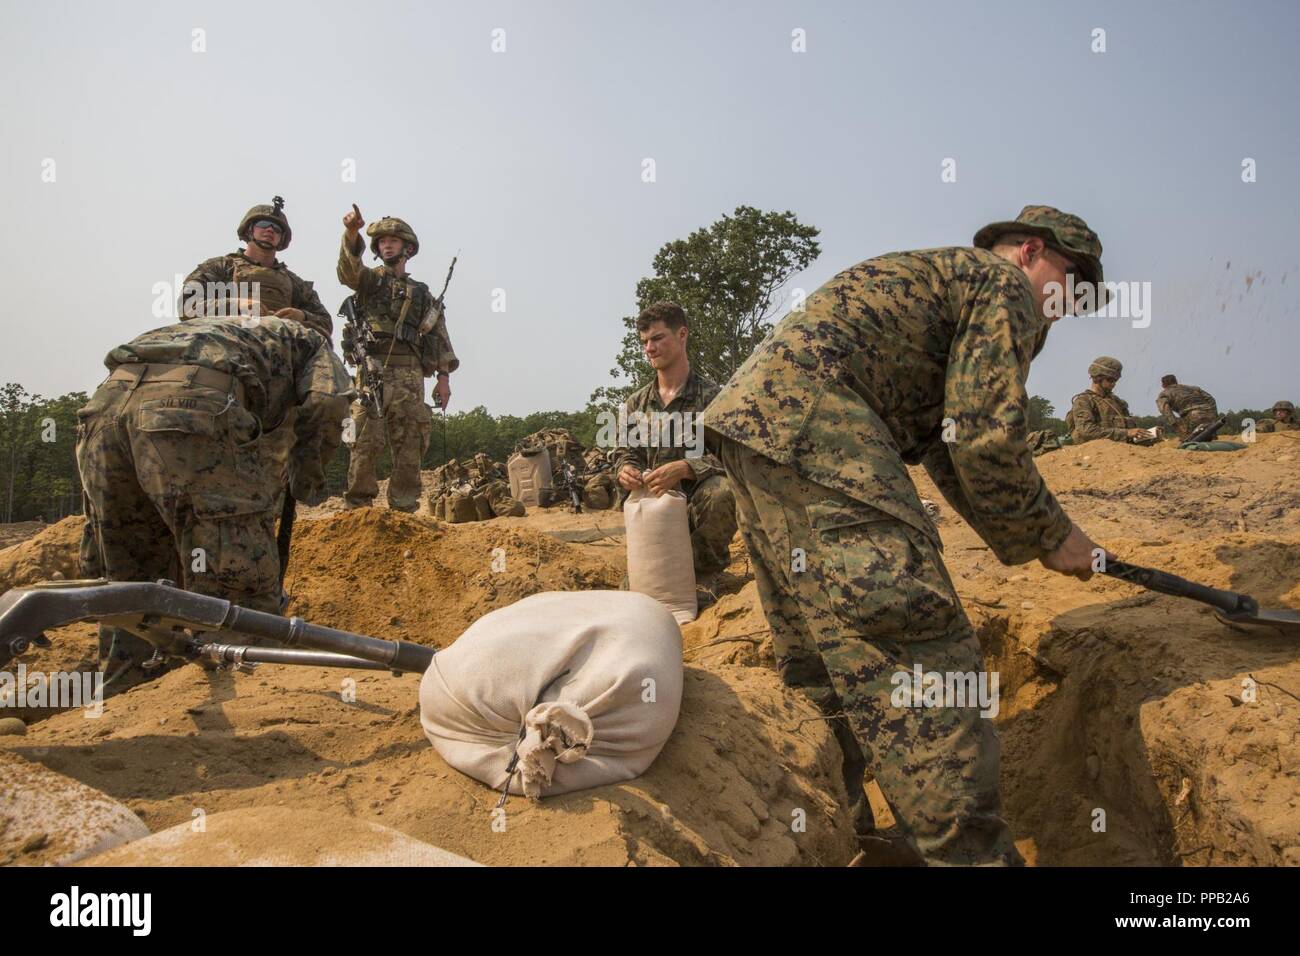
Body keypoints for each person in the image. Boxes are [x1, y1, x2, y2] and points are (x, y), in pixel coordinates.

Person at [703, 205, 1112, 866]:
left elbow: (949, 447)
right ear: (1032, 251)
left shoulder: (940, 284)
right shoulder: (1001, 286)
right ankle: (968, 857)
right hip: (821, 426)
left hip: (753, 430)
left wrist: (1031, 538)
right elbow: (984, 432)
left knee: (821, 655)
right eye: (1071, 286)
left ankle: (842, 833)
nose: (1065, 309)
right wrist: (1052, 531)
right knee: (917, 644)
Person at [76, 316, 350, 686]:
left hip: (105, 407)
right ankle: (245, 683)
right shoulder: (311, 341)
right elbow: (327, 402)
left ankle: (128, 681)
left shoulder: (219, 329)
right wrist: (306, 476)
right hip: (187, 408)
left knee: (129, 569)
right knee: (236, 572)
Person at [338, 205, 458, 512]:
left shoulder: (422, 294)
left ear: (407, 247)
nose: (386, 245)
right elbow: (348, 272)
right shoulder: (370, 282)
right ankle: (358, 508)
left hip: (410, 375)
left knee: (410, 444)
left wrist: (443, 380)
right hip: (373, 369)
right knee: (365, 439)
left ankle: (403, 508)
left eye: (393, 240)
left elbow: (439, 337)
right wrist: (351, 233)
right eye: (381, 242)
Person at [612, 302, 738, 593]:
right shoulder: (636, 404)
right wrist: (626, 469)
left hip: (698, 510)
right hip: (656, 512)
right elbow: (625, 452)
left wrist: (687, 468)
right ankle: (658, 572)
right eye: (644, 342)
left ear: (682, 335)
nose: (649, 348)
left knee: (723, 490)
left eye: (657, 338)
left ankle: (702, 575)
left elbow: (733, 458)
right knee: (635, 594)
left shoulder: (714, 398)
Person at [178, 197, 331, 337]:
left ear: (282, 238)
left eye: (277, 229)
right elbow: (187, 305)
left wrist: (301, 316)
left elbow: (325, 324)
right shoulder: (221, 267)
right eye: (263, 225)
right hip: (228, 338)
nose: (270, 230)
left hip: (279, 345)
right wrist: (237, 305)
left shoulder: (294, 283)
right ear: (249, 230)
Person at [1067, 357, 1159, 445]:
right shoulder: (1083, 401)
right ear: (1097, 378)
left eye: (1116, 380)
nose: (1114, 384)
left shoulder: (1117, 402)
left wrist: (1149, 434)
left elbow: (1130, 433)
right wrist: (1126, 433)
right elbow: (1087, 431)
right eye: (1110, 380)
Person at [1155, 374, 1218, 439]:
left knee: (1189, 440)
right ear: (1176, 381)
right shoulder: (1194, 388)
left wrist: (1176, 424)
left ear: (1164, 385)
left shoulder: (1164, 393)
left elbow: (1164, 410)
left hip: (1193, 417)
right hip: (1210, 417)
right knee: (1211, 439)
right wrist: (1214, 415)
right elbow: (1211, 399)